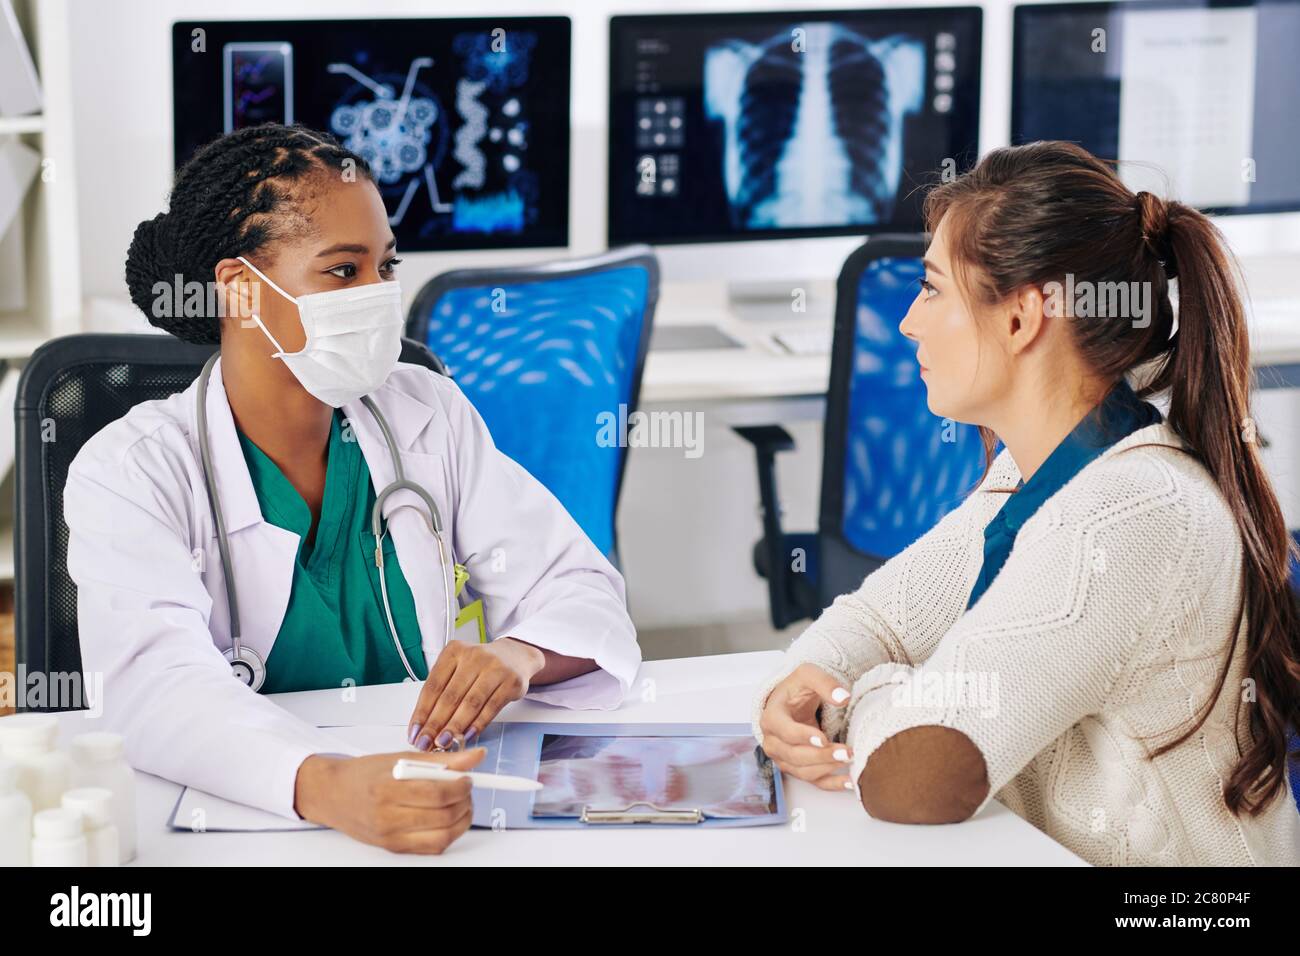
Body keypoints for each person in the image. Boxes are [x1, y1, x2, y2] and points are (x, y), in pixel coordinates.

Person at [64, 123, 640, 854]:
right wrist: (329, 785)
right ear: (241, 289)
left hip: (430, 803)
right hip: (247, 822)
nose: (378, 296)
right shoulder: (133, 469)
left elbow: (581, 587)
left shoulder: (425, 411)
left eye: (385, 267)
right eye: (343, 271)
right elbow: (151, 684)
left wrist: (520, 654)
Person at [753, 141, 1300, 866]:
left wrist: (864, 698)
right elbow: (878, 619)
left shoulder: (1133, 514)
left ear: (1020, 320)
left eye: (933, 289)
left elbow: (919, 777)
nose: (910, 323)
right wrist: (799, 690)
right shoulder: (1040, 471)